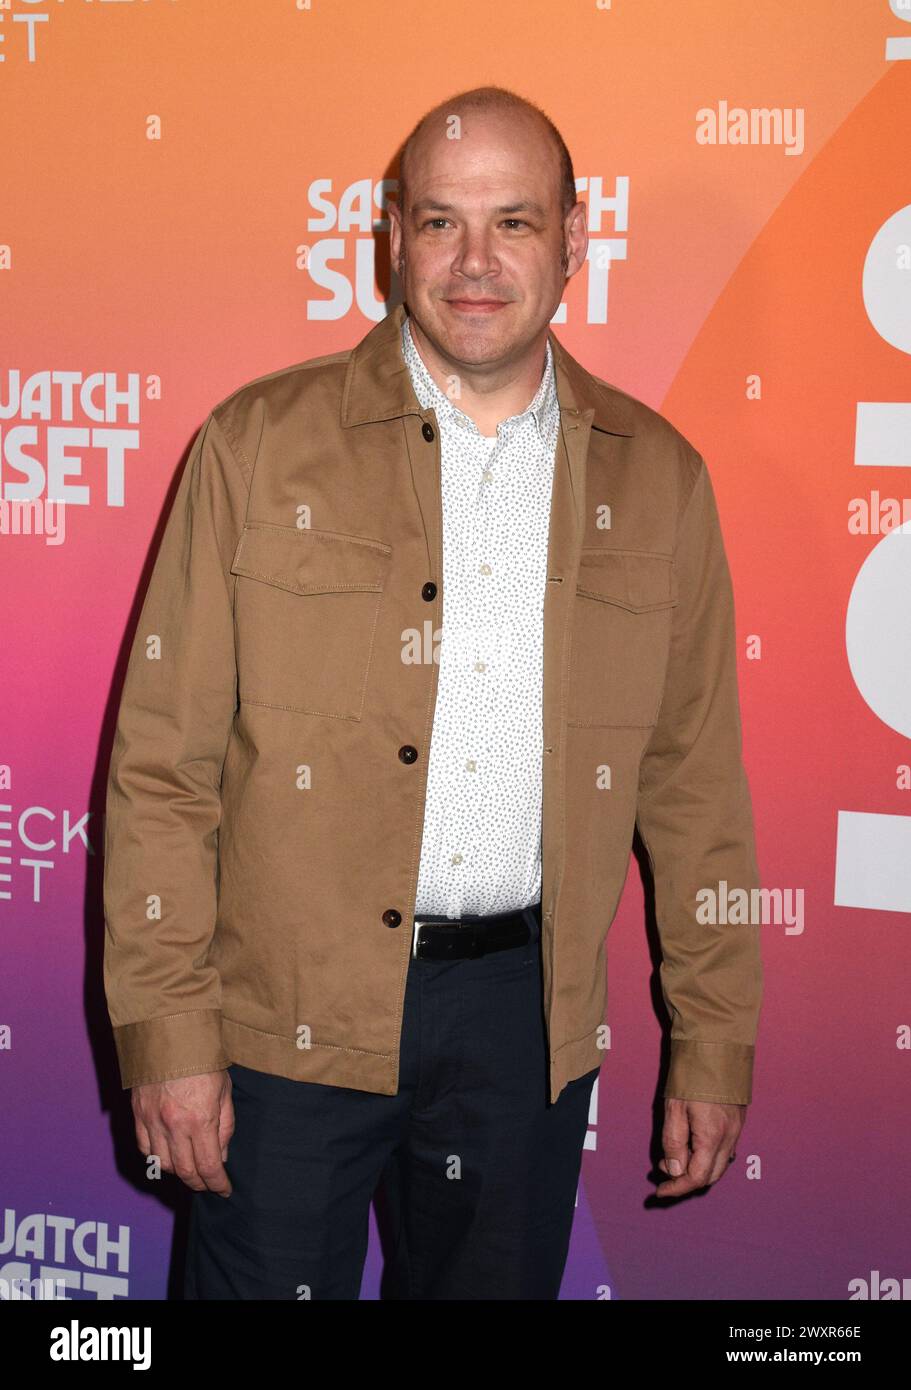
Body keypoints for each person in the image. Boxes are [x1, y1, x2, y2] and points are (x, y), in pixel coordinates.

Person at [103, 85, 763, 1300]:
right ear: (389, 233)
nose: (473, 263)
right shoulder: (256, 445)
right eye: (439, 221)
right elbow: (162, 767)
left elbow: (693, 785)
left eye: (512, 222)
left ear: (573, 239)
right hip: (279, 1022)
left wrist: (711, 1040)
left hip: (522, 1030)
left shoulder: (659, 483)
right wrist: (168, 1034)